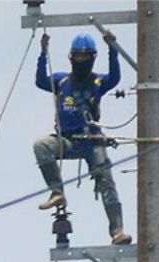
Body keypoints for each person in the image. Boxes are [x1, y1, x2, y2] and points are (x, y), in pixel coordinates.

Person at [33, 32, 132, 245]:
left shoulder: (98, 82)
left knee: (105, 180)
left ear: (92, 58)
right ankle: (57, 192)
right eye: (78, 56)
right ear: (71, 57)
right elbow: (41, 81)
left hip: (91, 141)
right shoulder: (62, 81)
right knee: (41, 145)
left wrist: (112, 48)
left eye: (85, 57)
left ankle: (117, 231)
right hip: (67, 140)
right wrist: (43, 53)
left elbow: (115, 78)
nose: (81, 61)